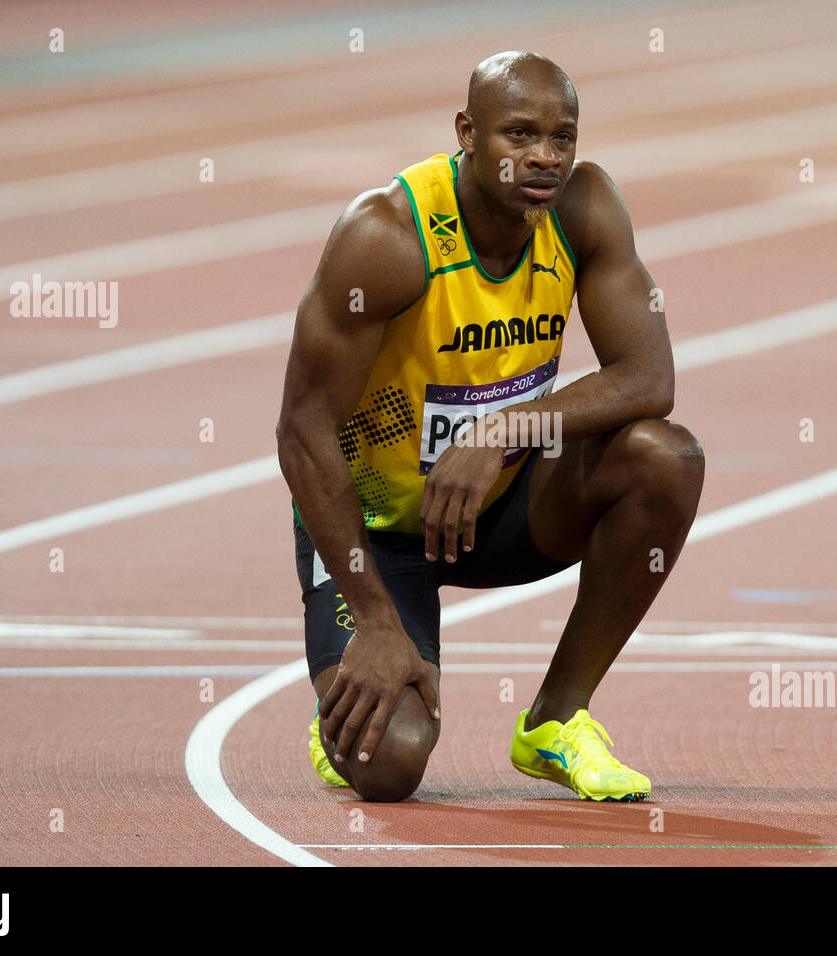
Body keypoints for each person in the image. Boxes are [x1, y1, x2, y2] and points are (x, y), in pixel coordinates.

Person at [276, 50, 704, 802]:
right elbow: (302, 432)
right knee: (390, 763)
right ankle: (351, 682)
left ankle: (554, 722)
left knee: (664, 458)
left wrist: (504, 431)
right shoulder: (387, 238)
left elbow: (649, 378)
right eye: (519, 135)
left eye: (562, 137)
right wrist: (375, 619)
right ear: (467, 133)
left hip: (499, 504)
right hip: (377, 530)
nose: (544, 158)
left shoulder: (583, 210)